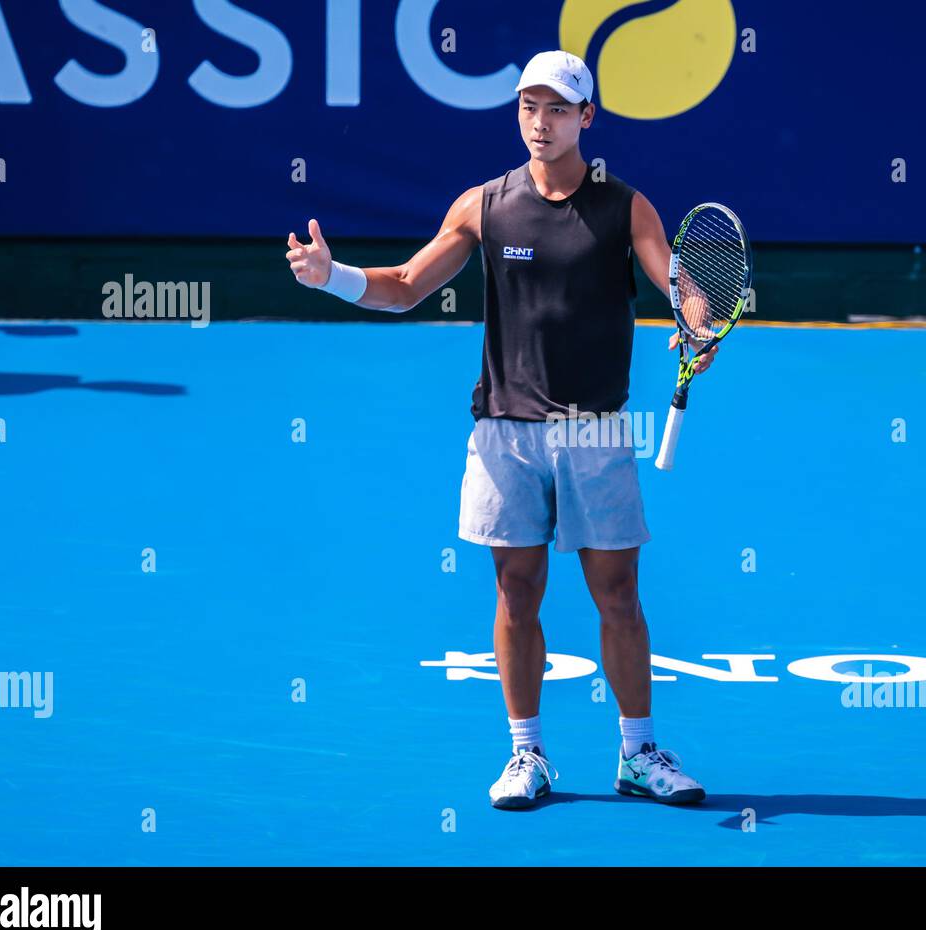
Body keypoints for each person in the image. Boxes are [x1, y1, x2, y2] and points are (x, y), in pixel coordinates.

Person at [285, 50, 713, 809]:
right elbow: (408, 285)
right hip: (505, 434)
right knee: (517, 590)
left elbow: (678, 279)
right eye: (528, 107)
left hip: (594, 431)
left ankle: (639, 751)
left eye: (557, 109)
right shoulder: (484, 204)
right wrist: (334, 276)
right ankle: (528, 754)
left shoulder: (625, 206)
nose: (539, 122)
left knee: (618, 593)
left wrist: (697, 325)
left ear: (587, 117)